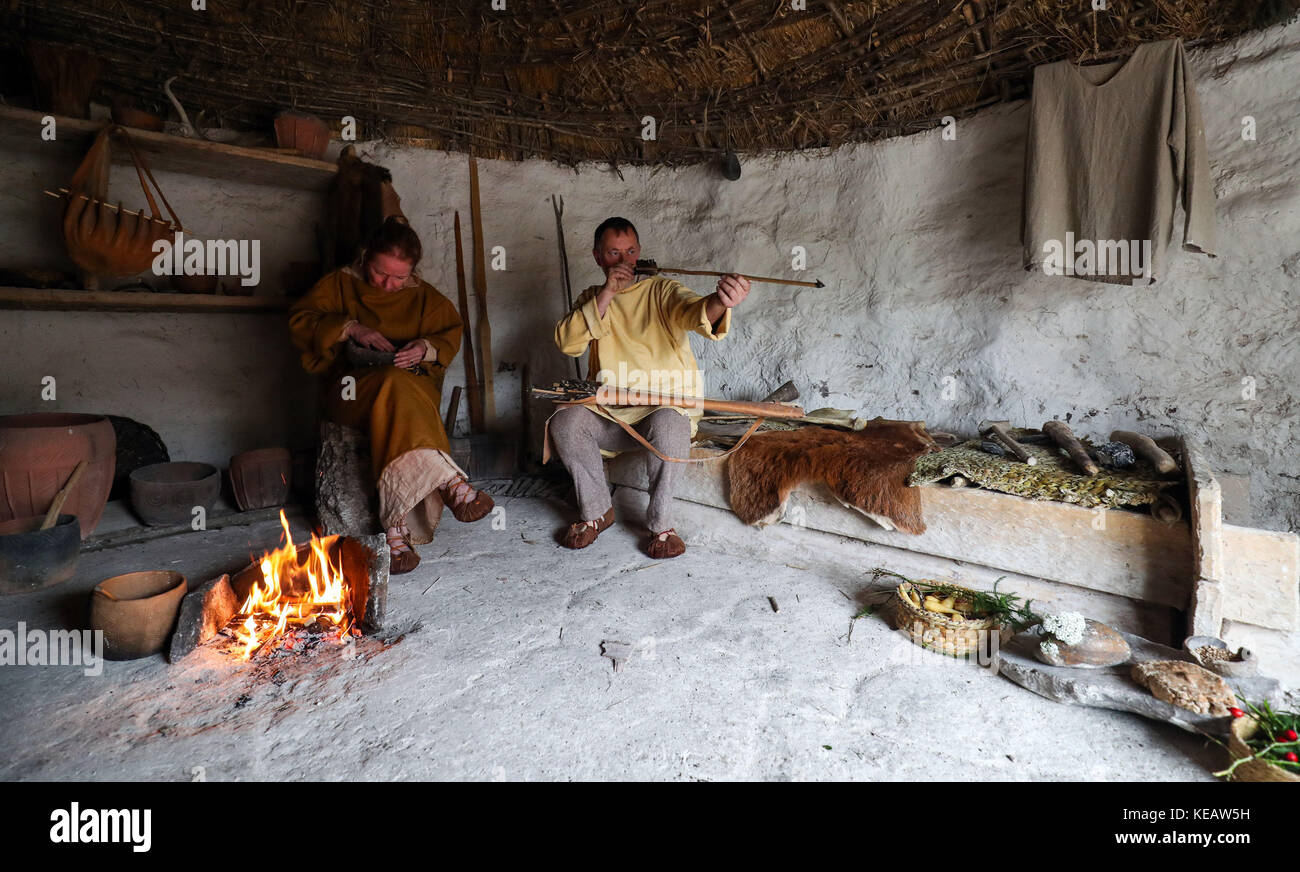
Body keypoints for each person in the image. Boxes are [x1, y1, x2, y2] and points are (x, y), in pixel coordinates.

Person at [289, 216, 493, 574]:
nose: (389, 284)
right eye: (382, 273)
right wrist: (349, 328)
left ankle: (395, 530)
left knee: (402, 386)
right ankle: (449, 480)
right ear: (366, 257)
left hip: (406, 391)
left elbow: (450, 333)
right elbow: (299, 322)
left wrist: (425, 349)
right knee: (394, 383)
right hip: (350, 390)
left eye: (400, 277)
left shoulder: (423, 296)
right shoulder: (340, 284)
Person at [550, 217, 750, 558]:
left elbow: (695, 312)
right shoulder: (592, 298)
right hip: (610, 415)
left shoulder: (662, 290)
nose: (623, 261)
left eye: (629, 251)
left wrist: (722, 301)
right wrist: (608, 293)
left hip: (657, 414)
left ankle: (661, 526)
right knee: (564, 420)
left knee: (671, 421)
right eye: (613, 253)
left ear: (639, 253)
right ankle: (597, 511)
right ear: (598, 258)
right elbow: (568, 343)